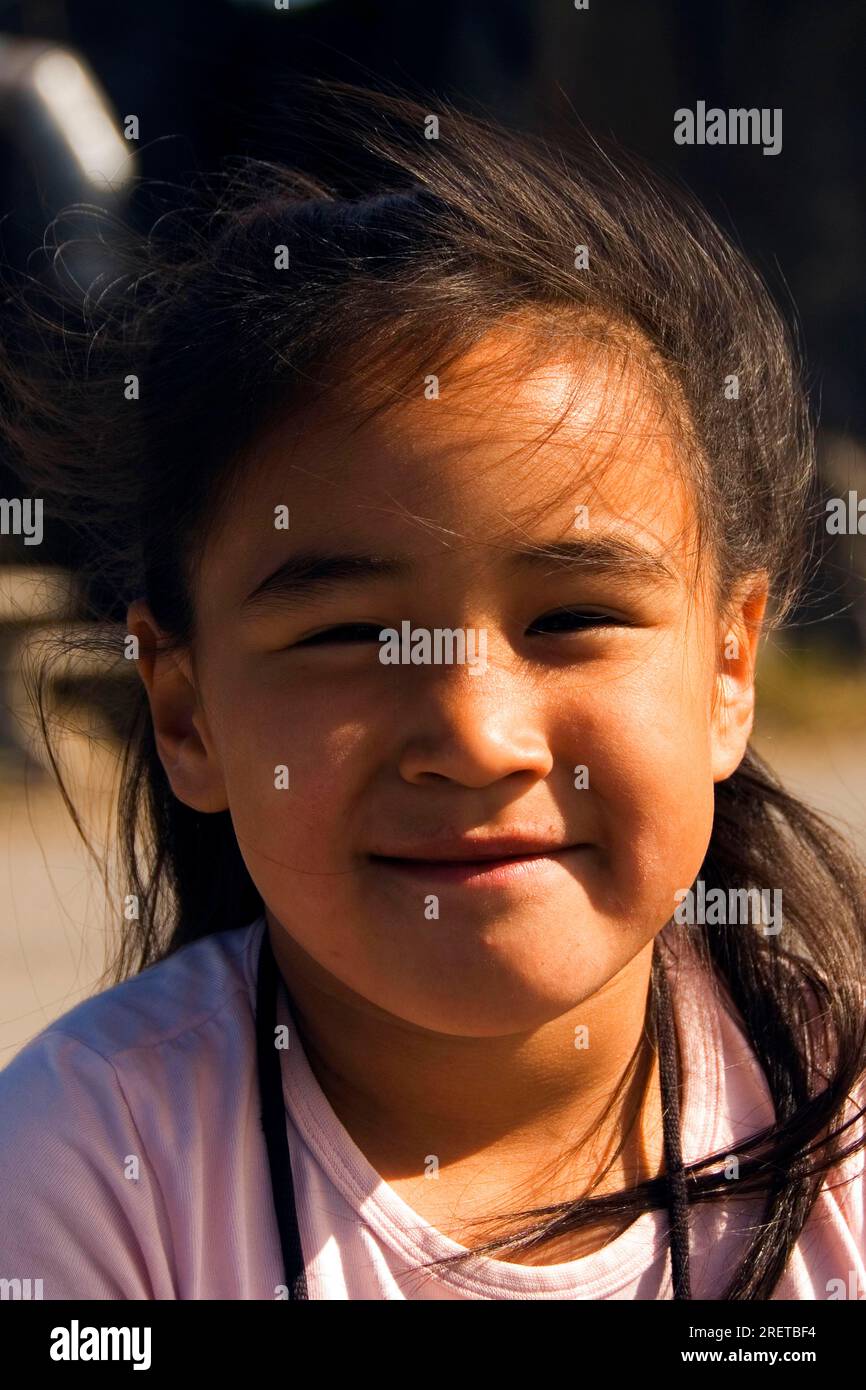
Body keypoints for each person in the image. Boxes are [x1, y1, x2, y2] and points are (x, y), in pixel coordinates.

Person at [0, 80, 864, 1301]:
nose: (472, 737)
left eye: (571, 618)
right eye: (347, 632)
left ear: (728, 669)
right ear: (187, 712)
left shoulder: (842, 1143)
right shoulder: (80, 1177)